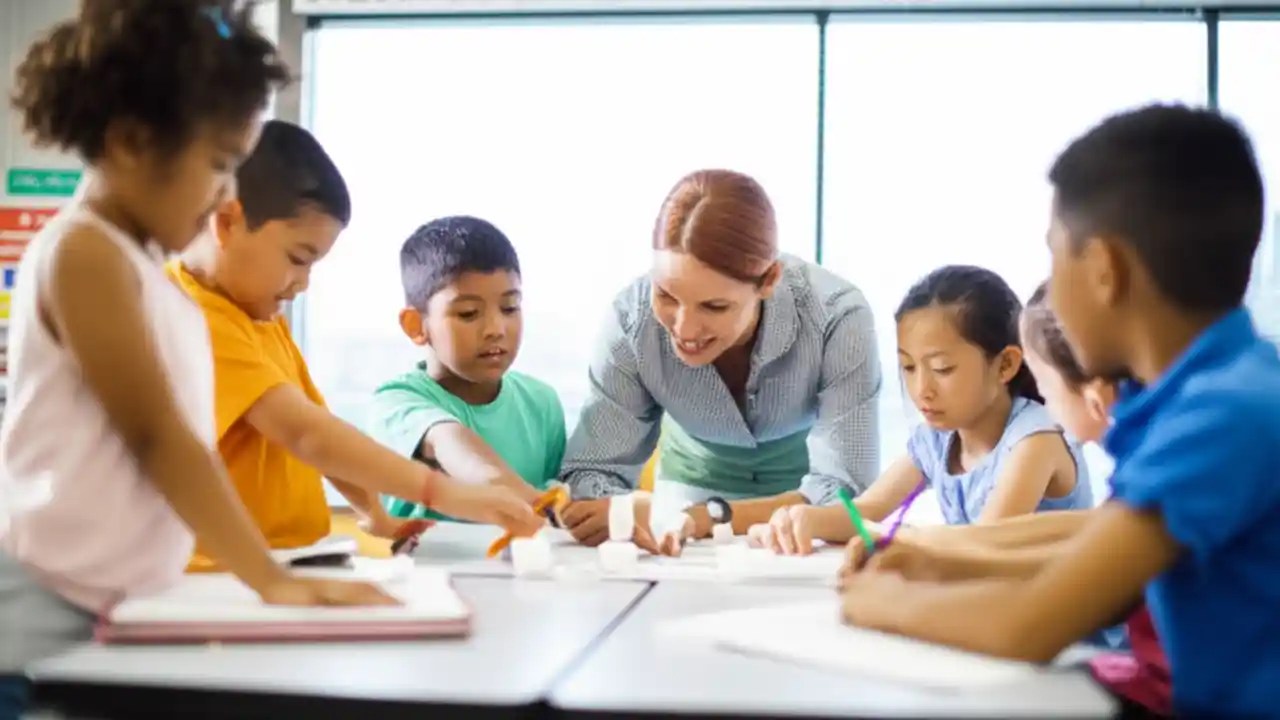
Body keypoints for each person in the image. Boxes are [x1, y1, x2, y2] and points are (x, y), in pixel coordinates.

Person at [0, 2, 390, 716]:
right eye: (218, 165)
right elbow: (158, 439)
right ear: (130, 142)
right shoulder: (85, 252)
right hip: (41, 618)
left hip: (123, 607)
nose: (224, 192)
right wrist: (271, 581)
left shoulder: (148, 268)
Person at [840, 104, 1280, 718]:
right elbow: (1099, 536)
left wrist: (871, 605)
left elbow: (1030, 625)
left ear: (1105, 271)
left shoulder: (1221, 417)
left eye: (1054, 257)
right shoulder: (1221, 391)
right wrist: (937, 555)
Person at [171, 120, 543, 567]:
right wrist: (448, 494)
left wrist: (375, 514)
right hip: (222, 573)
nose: (303, 283)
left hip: (282, 560)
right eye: (297, 259)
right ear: (228, 222)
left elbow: (319, 427)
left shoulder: (257, 314)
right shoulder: (194, 317)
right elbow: (307, 435)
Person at [841, 281, 1168, 716]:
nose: (1041, 401)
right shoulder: (1155, 451)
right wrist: (931, 551)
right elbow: (1086, 532)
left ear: (1093, 397)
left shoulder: (1049, 434)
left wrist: (884, 603)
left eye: (1047, 389)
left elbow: (1030, 624)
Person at [558, 169, 880, 550]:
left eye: (714, 306)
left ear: (769, 280)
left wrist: (707, 517)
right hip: (676, 509)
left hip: (800, 518)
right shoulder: (631, 318)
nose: (684, 328)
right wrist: (620, 510)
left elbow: (846, 493)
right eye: (666, 295)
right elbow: (592, 473)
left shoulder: (838, 317)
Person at [751, 266, 1092, 554]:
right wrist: (806, 518)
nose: (921, 390)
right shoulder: (937, 440)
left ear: (1005, 365)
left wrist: (896, 538)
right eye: (909, 368)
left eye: (943, 369)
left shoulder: (1035, 440)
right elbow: (868, 510)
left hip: (1067, 628)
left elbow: (983, 546)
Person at [367, 216, 567, 519]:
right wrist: (535, 503)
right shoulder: (396, 402)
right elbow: (453, 446)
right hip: (428, 566)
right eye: (469, 313)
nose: (496, 329)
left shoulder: (542, 403)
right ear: (416, 326)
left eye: (510, 307)